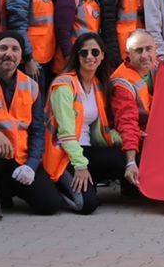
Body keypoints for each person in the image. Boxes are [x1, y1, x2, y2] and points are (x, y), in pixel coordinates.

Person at [0, 35, 65, 218]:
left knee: (49, 204)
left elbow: (38, 131)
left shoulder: (32, 86)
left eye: (14, 49)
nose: (8, 54)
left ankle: (7, 191)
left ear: (21, 57)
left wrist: (31, 165)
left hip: (21, 159)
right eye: (3, 48)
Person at [44, 33, 125, 213]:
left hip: (87, 151)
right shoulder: (63, 85)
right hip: (64, 156)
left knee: (122, 157)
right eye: (84, 53)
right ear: (77, 56)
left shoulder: (97, 84)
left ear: (102, 55)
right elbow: (65, 134)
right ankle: (58, 189)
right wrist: (80, 166)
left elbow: (99, 133)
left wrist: (126, 138)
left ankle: (89, 185)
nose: (90, 57)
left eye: (95, 52)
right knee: (88, 205)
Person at [111, 30, 157, 191]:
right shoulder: (122, 82)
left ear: (155, 50)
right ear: (128, 54)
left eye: (148, 49)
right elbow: (127, 123)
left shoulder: (154, 66)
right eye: (139, 50)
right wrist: (130, 162)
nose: (145, 55)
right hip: (131, 139)